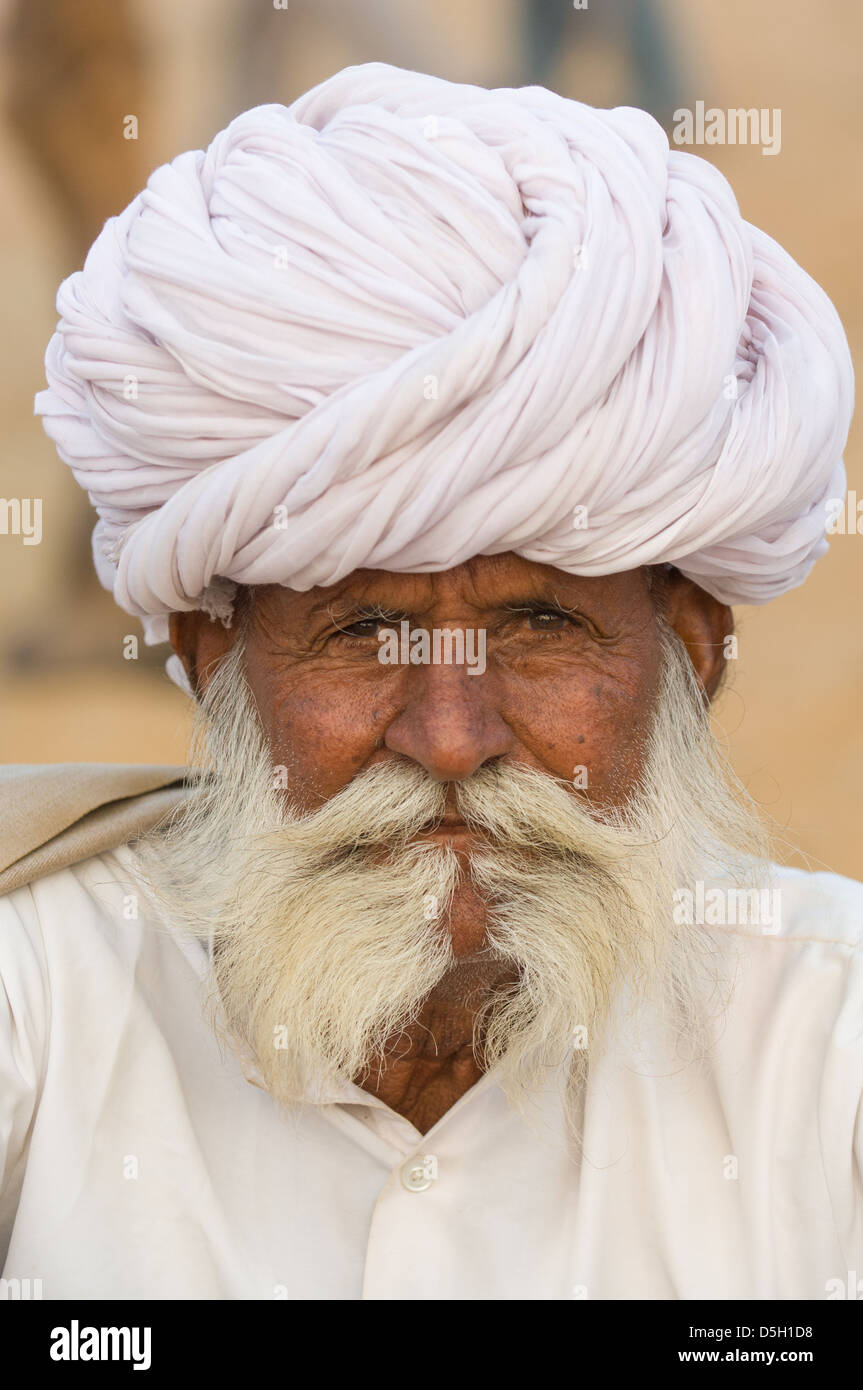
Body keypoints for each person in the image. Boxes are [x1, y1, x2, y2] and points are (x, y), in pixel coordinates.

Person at [1, 63, 859, 1301]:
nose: (450, 736)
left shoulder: (825, 1054)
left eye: (540, 626)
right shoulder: (47, 996)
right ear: (210, 662)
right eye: (360, 634)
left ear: (690, 650)